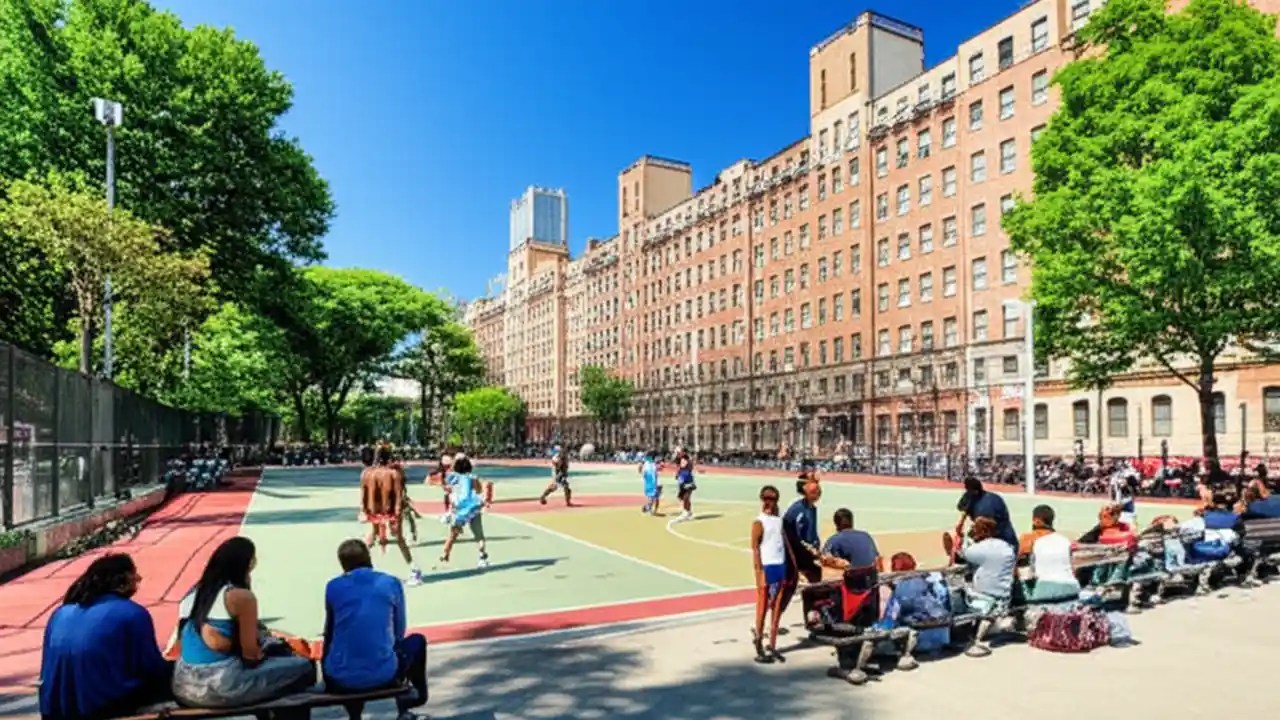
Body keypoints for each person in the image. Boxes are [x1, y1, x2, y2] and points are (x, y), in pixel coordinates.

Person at [171, 537, 315, 709]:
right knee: (304, 667)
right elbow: (251, 655)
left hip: (183, 683)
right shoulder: (240, 597)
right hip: (219, 686)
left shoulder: (193, 593)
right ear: (247, 564)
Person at [40, 554, 172, 720]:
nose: (138, 578)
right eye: (134, 575)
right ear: (123, 580)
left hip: (54, 710)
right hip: (103, 707)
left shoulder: (60, 612)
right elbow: (150, 667)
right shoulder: (132, 613)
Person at [323, 540, 428, 720]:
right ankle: (411, 700)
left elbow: (329, 632)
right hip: (384, 675)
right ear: (369, 558)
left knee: (347, 654)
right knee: (416, 641)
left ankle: (354, 715)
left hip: (340, 678)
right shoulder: (390, 583)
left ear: (342, 564)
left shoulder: (333, 587)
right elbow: (398, 632)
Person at [361, 447, 423, 585]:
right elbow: (399, 494)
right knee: (399, 539)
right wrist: (397, 512)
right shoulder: (394, 474)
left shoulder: (367, 473)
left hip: (375, 510)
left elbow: (364, 494)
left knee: (372, 536)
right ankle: (414, 570)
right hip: (391, 510)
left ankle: (357, 569)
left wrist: (364, 510)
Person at [751, 485, 789, 664]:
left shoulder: (778, 520)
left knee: (777, 607)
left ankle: (773, 644)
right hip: (767, 566)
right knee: (762, 605)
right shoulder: (759, 521)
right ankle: (758, 641)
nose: (768, 502)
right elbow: (755, 547)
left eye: (772, 499)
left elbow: (783, 542)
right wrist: (758, 570)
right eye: (766, 498)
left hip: (780, 564)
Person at [779, 479, 824, 615]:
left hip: (809, 552)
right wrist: (804, 547)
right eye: (814, 491)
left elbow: (811, 531)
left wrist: (816, 545)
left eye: (818, 491)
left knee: (815, 581)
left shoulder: (812, 509)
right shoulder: (797, 510)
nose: (818, 494)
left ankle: (812, 613)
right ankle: (774, 614)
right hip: (796, 552)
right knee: (789, 585)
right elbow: (789, 532)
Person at [1017, 505, 1080, 602]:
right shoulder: (1065, 540)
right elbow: (1073, 568)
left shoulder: (1027, 538)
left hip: (1045, 589)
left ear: (1036, 520)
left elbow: (1016, 563)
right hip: (1072, 588)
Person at [440, 455, 491, 568]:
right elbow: (478, 490)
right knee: (479, 535)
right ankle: (482, 557)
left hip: (459, 510)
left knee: (453, 535)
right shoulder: (473, 477)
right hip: (473, 508)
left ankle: (445, 553)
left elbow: (448, 489)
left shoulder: (453, 478)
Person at [954, 477, 1018, 550]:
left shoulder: (986, 507)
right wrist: (960, 523)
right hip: (988, 531)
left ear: (975, 492)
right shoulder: (971, 495)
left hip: (1003, 540)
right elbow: (964, 508)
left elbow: (987, 531)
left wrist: (969, 540)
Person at [673, 450, 697, 522]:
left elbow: (689, 473)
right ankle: (688, 512)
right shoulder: (680, 469)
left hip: (689, 485)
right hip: (683, 485)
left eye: (684, 461)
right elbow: (679, 478)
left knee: (686, 498)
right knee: (684, 498)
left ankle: (686, 512)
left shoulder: (688, 466)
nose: (683, 462)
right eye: (681, 461)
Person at [640, 451, 662, 515]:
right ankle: (650, 509)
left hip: (651, 483)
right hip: (653, 483)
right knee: (654, 498)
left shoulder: (648, 463)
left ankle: (651, 509)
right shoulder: (650, 463)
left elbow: (644, 472)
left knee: (653, 498)